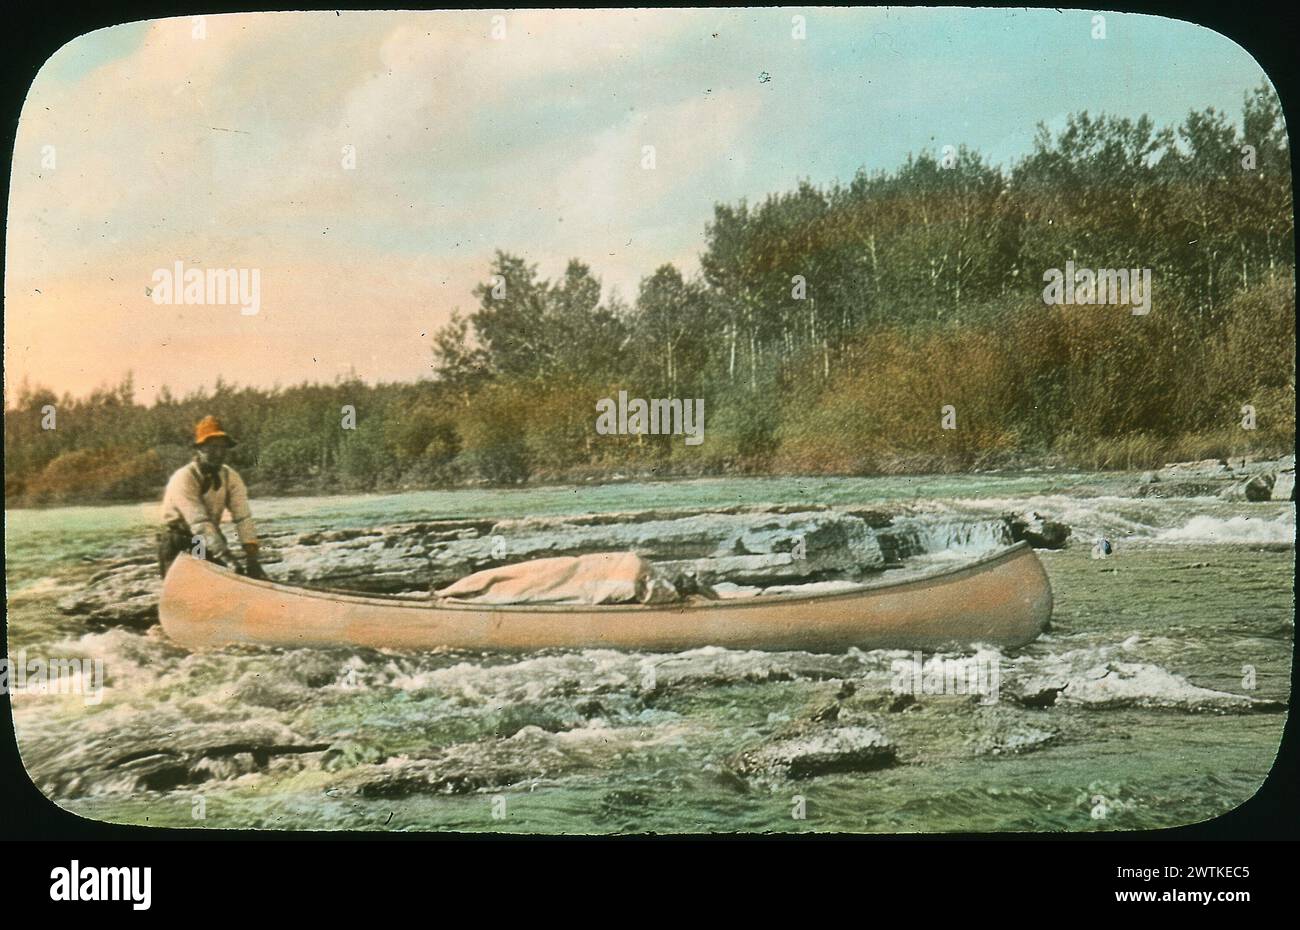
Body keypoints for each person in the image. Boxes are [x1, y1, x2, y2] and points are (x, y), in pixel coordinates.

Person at [157, 416, 268, 580]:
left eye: (223, 448)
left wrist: (252, 558)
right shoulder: (184, 477)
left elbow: (243, 517)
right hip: (178, 541)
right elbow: (199, 522)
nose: (218, 453)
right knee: (188, 588)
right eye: (212, 448)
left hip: (202, 541)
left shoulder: (230, 476)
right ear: (199, 449)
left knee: (217, 582)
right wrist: (227, 558)